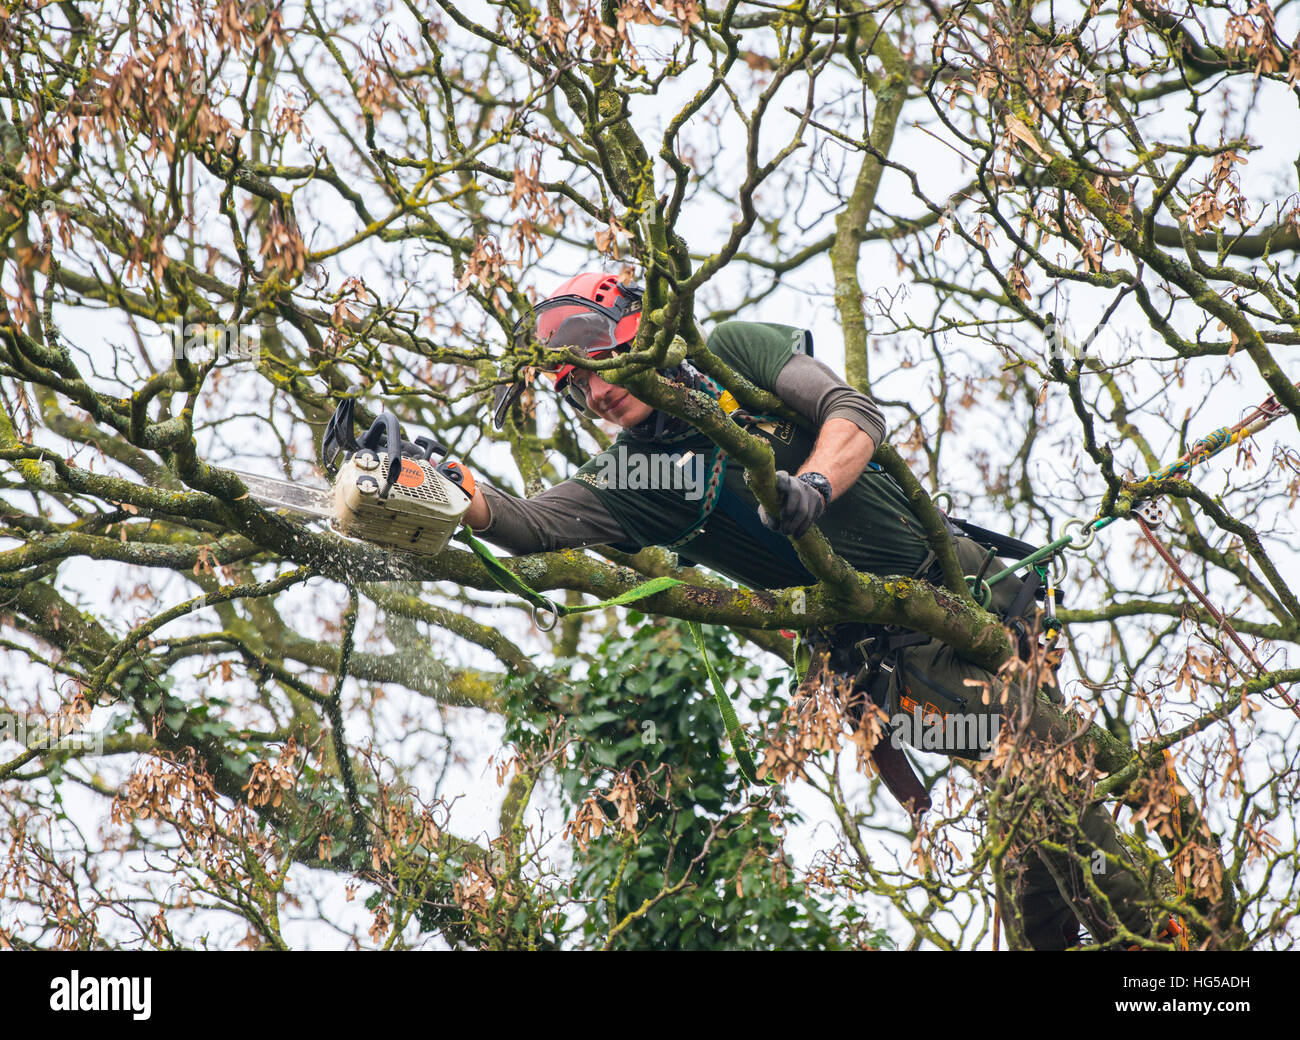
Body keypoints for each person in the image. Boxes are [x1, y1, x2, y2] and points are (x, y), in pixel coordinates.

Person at [466, 271, 1159, 949]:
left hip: (977, 589)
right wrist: (447, 487)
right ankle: (1158, 940)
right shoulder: (632, 478)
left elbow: (853, 410)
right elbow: (526, 526)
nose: (591, 389)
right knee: (1036, 769)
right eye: (571, 385)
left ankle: (1136, 938)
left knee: (1038, 803)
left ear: (634, 326)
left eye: (590, 358)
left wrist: (814, 485)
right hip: (894, 660)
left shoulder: (732, 356)